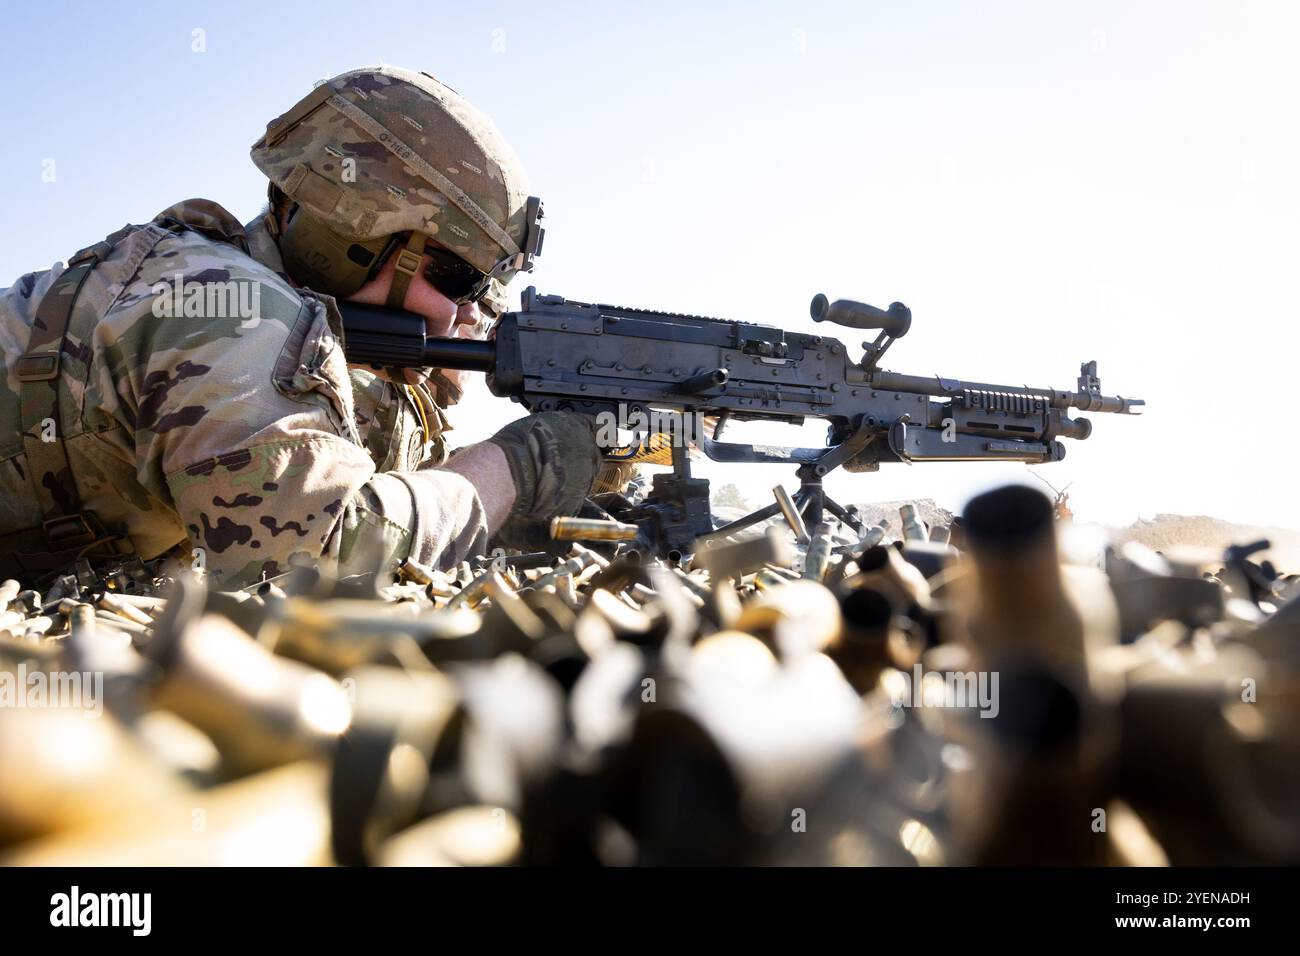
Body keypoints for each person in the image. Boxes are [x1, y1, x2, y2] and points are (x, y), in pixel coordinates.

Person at [0, 65, 602, 587]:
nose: (460, 314)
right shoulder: (231, 307)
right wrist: (520, 466)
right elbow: (322, 556)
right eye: (455, 277)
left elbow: (354, 470)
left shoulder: (242, 306)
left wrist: (595, 461)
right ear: (350, 237)